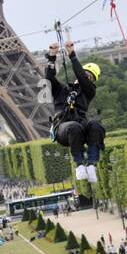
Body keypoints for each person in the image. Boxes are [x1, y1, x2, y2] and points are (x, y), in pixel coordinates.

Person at [45, 40, 105, 182]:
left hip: (80, 127)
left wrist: (72, 55)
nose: (86, 77)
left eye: (90, 77)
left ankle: (91, 164)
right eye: (85, 74)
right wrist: (52, 56)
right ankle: (79, 165)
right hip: (64, 129)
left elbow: (83, 79)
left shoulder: (89, 91)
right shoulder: (61, 90)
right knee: (74, 127)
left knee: (96, 126)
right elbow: (48, 78)